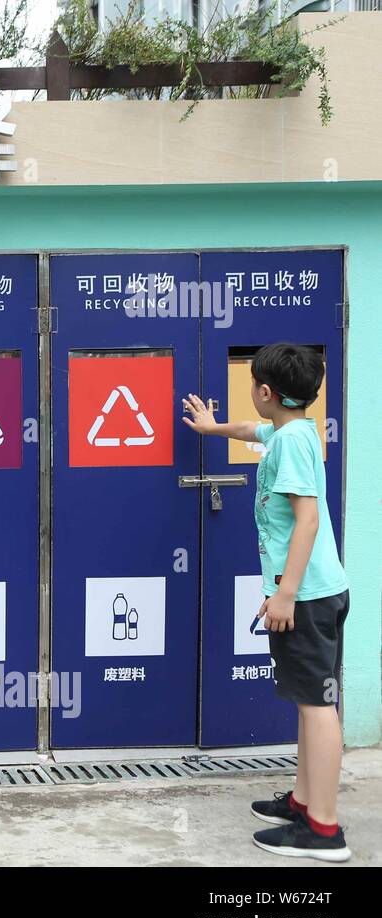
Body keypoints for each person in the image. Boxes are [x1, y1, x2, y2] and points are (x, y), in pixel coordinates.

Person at [182, 342, 350, 863]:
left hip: (308, 595)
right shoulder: (290, 430)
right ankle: (304, 802)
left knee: (318, 708)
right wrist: (213, 430)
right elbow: (252, 432)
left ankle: (323, 831)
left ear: (265, 391)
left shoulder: (294, 443)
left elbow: (308, 519)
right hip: (314, 592)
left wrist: (285, 593)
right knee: (309, 701)